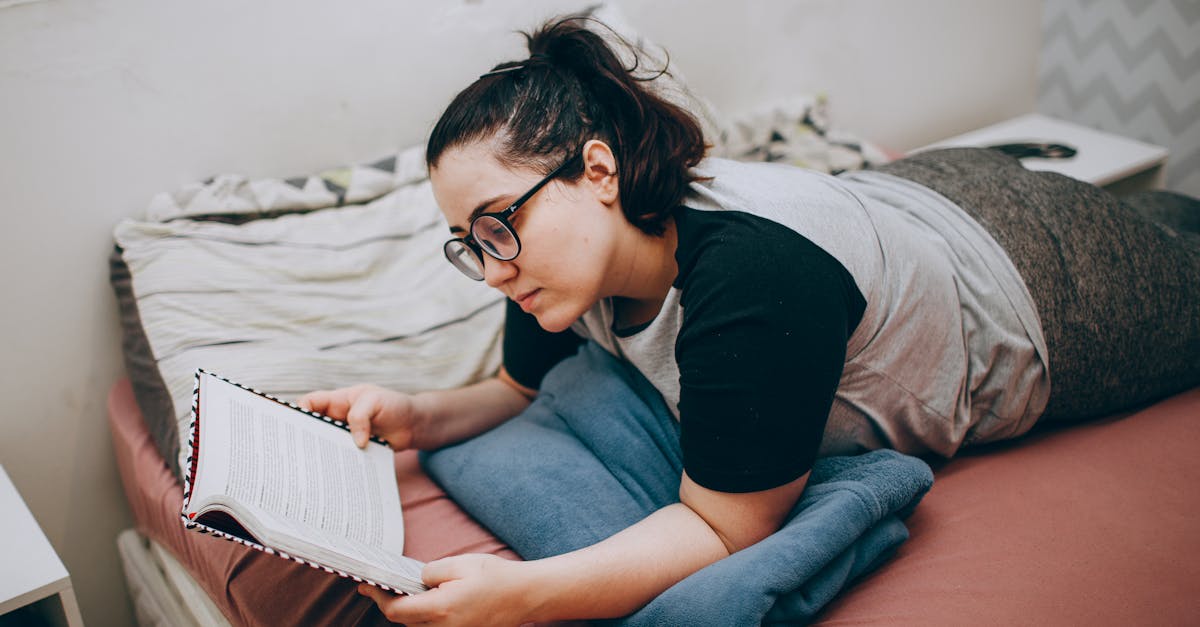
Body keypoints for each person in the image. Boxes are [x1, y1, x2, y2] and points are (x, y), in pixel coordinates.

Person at [298, 15, 1200, 626]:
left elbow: (727, 526)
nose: (491, 267)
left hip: (1038, 287)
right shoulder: (554, 268)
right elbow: (510, 389)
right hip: (916, 200)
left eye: (499, 225)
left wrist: (527, 595)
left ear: (599, 171)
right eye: (467, 242)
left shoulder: (751, 280)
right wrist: (413, 414)